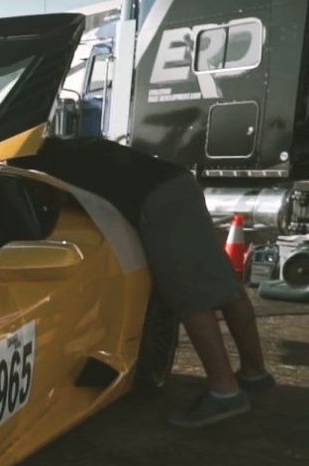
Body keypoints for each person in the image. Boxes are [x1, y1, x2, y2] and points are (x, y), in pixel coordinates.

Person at [14, 137, 274, 428]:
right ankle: (255, 372)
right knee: (225, 285)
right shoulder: (75, 148)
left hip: (160, 201)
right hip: (179, 184)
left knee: (190, 299)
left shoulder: (42, 166)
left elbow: (45, 208)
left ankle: (225, 391)